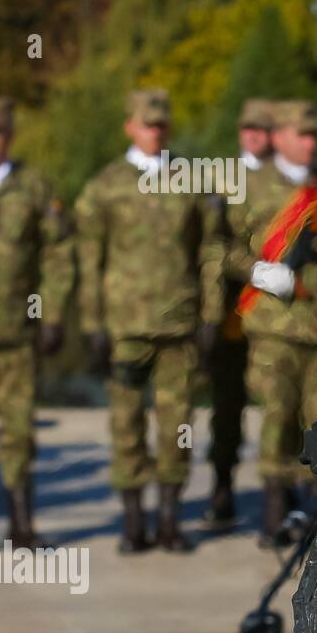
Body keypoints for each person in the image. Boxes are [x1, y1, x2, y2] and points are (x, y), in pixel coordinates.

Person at [218, 99, 317, 546]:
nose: (309, 143)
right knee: (277, 418)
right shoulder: (250, 188)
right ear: (279, 137)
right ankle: (274, 514)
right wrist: (256, 270)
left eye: (313, 135)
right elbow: (217, 249)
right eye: (300, 135)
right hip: (274, 327)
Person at [75, 89, 224, 552]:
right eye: (146, 123)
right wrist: (91, 324)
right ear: (130, 126)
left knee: (177, 423)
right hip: (125, 325)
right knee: (125, 423)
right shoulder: (105, 186)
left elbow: (211, 252)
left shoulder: (192, 181)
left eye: (161, 124)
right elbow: (88, 259)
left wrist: (212, 313)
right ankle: (133, 519)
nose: (154, 131)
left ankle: (169, 519)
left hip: (178, 323)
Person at [0, 96, 75, 548]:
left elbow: (58, 253)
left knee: (18, 425)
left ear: (8, 136)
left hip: (16, 327)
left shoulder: (34, 188)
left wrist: (52, 313)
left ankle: (20, 522)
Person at [205, 97, 276, 530]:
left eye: (263, 129)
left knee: (280, 405)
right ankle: (222, 485)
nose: (255, 136)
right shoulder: (219, 178)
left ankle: (283, 492)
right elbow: (211, 249)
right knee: (226, 405)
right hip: (236, 312)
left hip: (282, 316)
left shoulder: (290, 180)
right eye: (248, 128)